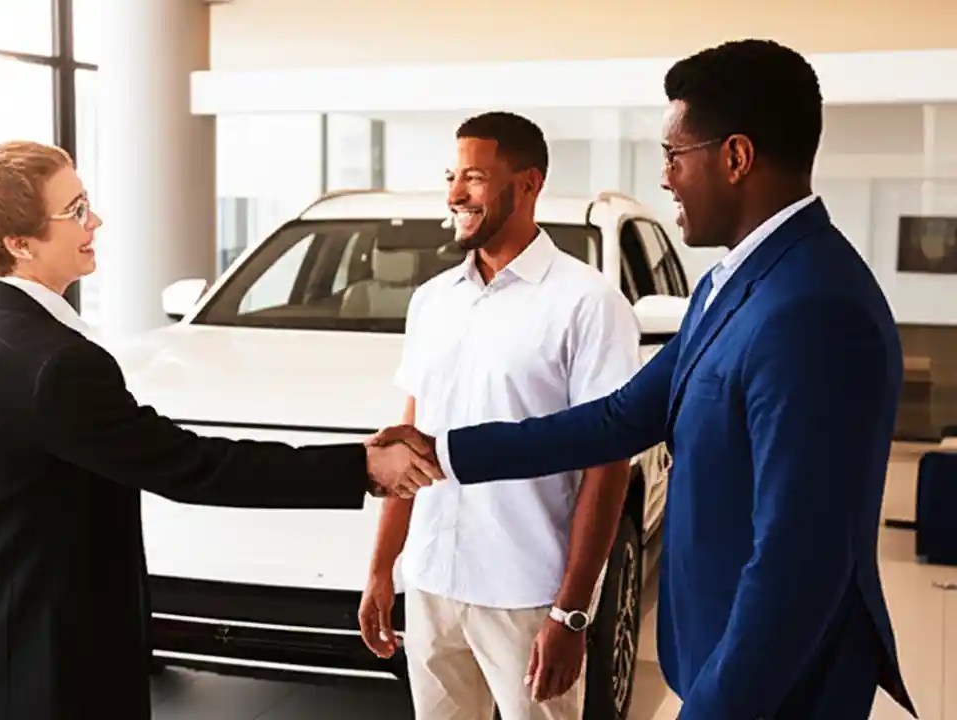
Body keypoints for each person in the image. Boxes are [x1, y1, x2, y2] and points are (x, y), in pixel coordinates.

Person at [371, 40, 918, 720]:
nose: (664, 177)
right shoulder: (732, 282)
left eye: (673, 154)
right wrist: (442, 452)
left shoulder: (815, 307)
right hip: (719, 654)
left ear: (736, 157)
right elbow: (618, 418)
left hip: (778, 690)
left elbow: (797, 566)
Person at [0, 140, 439, 720]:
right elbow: (191, 465)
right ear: (18, 244)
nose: (94, 220)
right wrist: (362, 466)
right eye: (73, 211)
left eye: (86, 202)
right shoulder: (57, 364)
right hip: (50, 664)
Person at [356, 112, 639, 720]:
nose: (456, 193)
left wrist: (571, 611)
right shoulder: (432, 302)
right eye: (452, 176)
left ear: (529, 183)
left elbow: (606, 465)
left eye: (476, 178)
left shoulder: (588, 303)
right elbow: (407, 446)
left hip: (527, 593)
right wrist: (384, 569)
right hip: (432, 582)